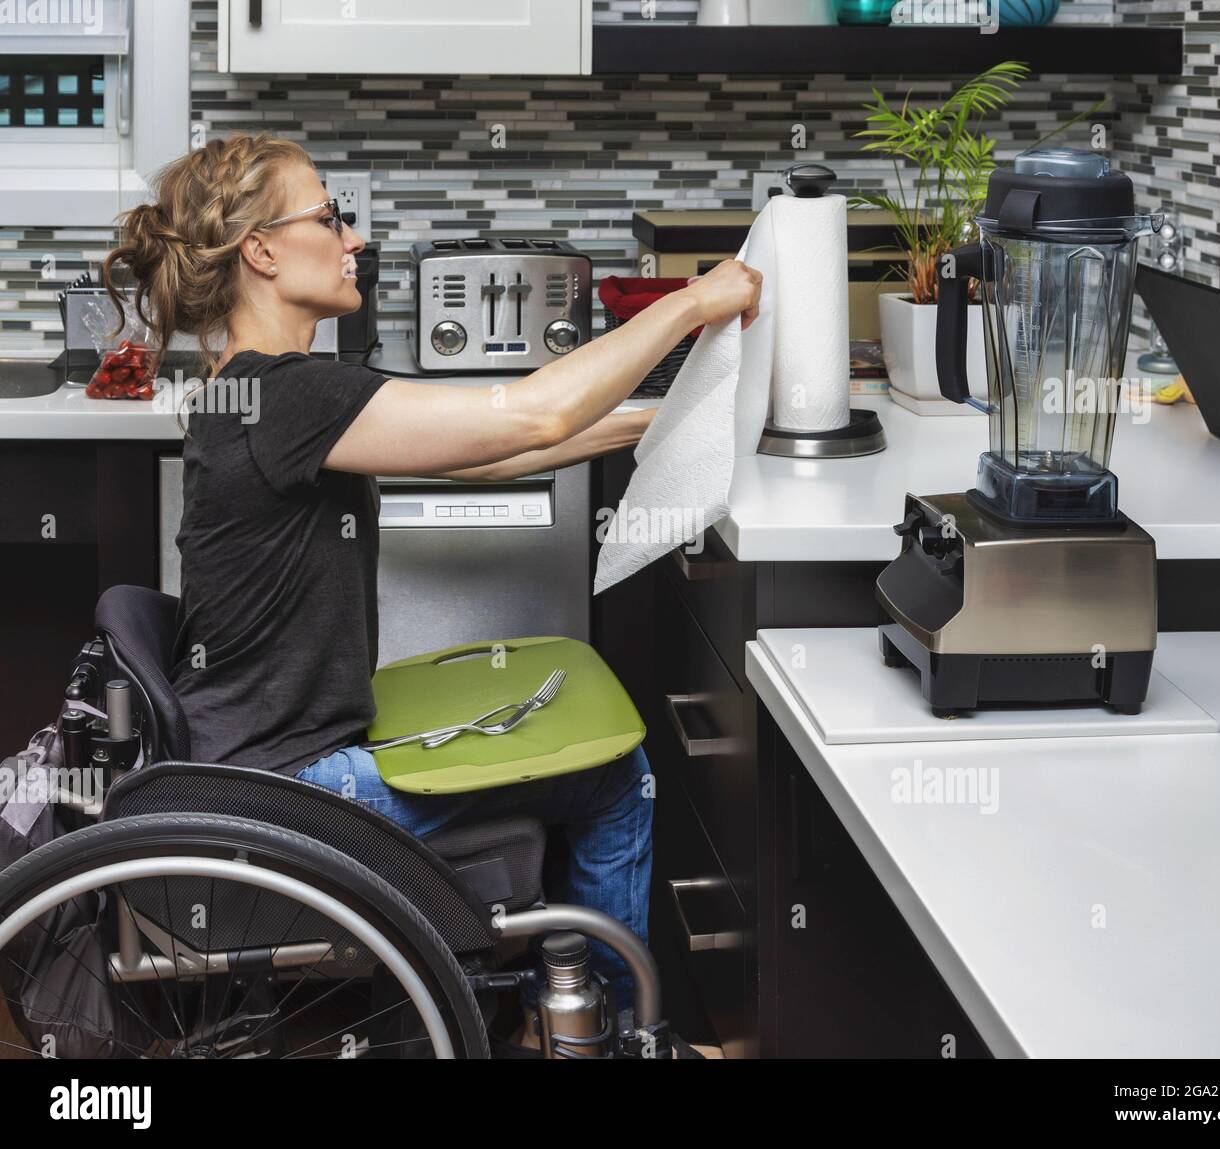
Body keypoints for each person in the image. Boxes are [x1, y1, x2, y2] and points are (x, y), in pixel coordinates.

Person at [102, 133, 762, 1013]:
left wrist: (661, 419)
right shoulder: (296, 396)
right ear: (261, 251)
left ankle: (550, 1003)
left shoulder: (246, 386)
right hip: (292, 788)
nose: (354, 239)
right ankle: (594, 1027)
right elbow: (534, 412)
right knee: (616, 773)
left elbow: (491, 453)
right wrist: (695, 301)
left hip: (240, 759)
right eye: (330, 217)